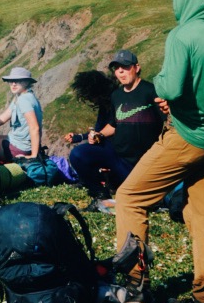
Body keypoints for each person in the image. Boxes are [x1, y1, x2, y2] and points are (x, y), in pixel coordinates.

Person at [110, 0, 204, 303]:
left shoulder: (181, 35)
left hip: (185, 137)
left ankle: (134, 287)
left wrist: (171, 96)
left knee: (130, 199)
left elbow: (167, 87)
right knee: (203, 216)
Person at [68, 50, 163, 208]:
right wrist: (97, 135)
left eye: (125, 67)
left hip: (145, 160)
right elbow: (112, 125)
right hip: (119, 158)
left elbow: (167, 122)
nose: (120, 71)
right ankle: (100, 195)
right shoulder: (116, 96)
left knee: (146, 197)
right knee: (78, 154)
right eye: (117, 68)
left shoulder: (151, 91)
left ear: (137, 67)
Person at [0, 67, 44, 160]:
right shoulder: (22, 96)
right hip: (16, 140)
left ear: (26, 82)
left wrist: (33, 156)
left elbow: (35, 128)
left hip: (20, 147)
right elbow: (3, 118)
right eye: (11, 81)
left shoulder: (24, 100)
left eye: (18, 81)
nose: (13, 84)